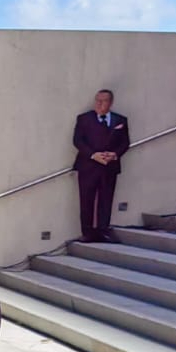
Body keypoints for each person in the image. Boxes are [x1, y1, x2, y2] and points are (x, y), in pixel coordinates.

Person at [71, 89, 129, 242]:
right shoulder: (84, 119)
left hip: (109, 167)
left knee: (106, 199)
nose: (99, 104)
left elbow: (125, 142)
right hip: (88, 166)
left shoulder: (120, 120)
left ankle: (103, 230)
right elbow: (78, 141)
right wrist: (93, 155)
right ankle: (87, 233)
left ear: (110, 103)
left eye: (103, 101)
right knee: (86, 200)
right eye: (97, 100)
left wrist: (114, 154)